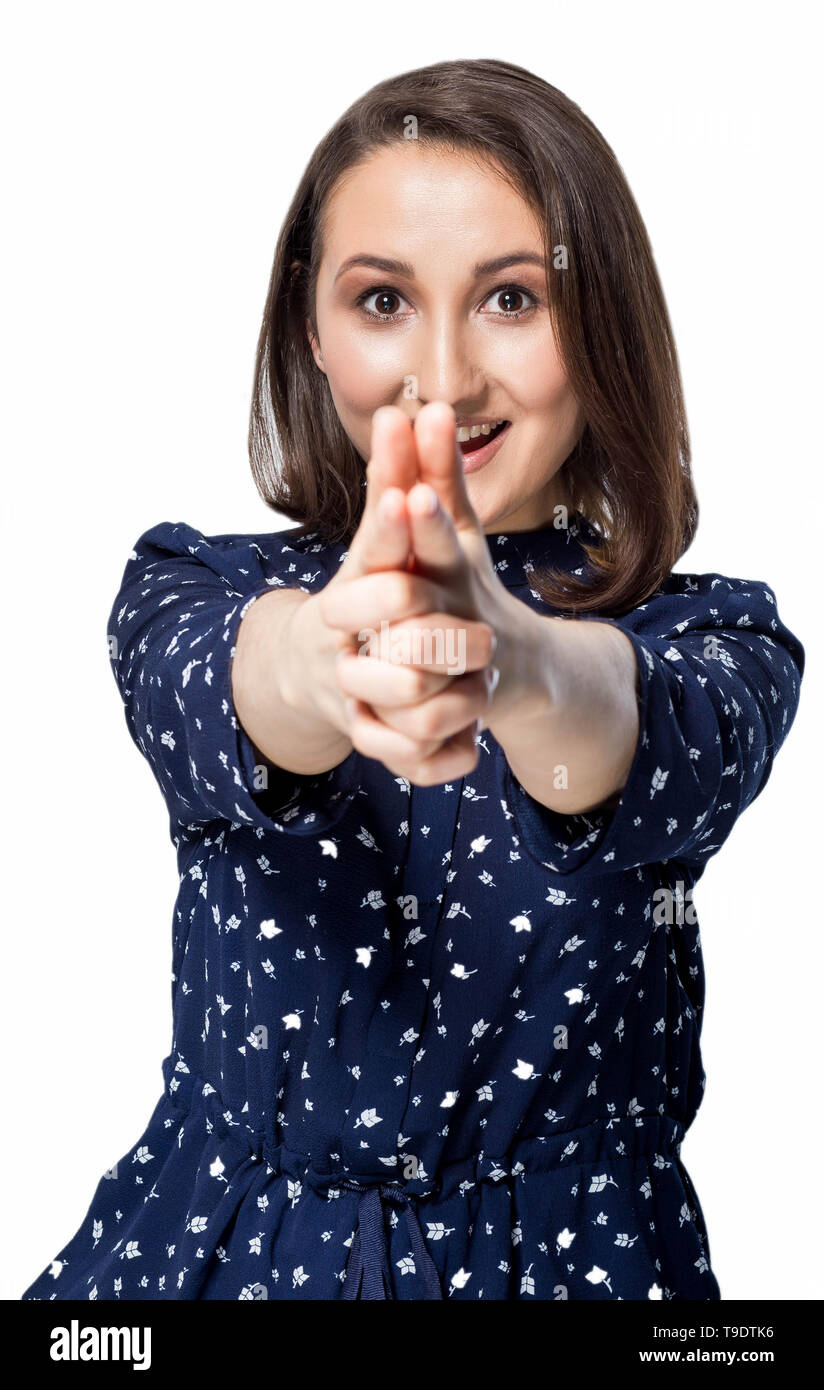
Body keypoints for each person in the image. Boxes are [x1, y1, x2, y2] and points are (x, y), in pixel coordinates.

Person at [22, 58, 804, 1301]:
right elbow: (246, 682)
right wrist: (328, 665)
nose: (440, 375)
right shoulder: (190, 589)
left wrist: (510, 646)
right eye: (381, 301)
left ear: (598, 322)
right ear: (312, 334)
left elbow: (618, 726)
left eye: (509, 298)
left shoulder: (715, 642)